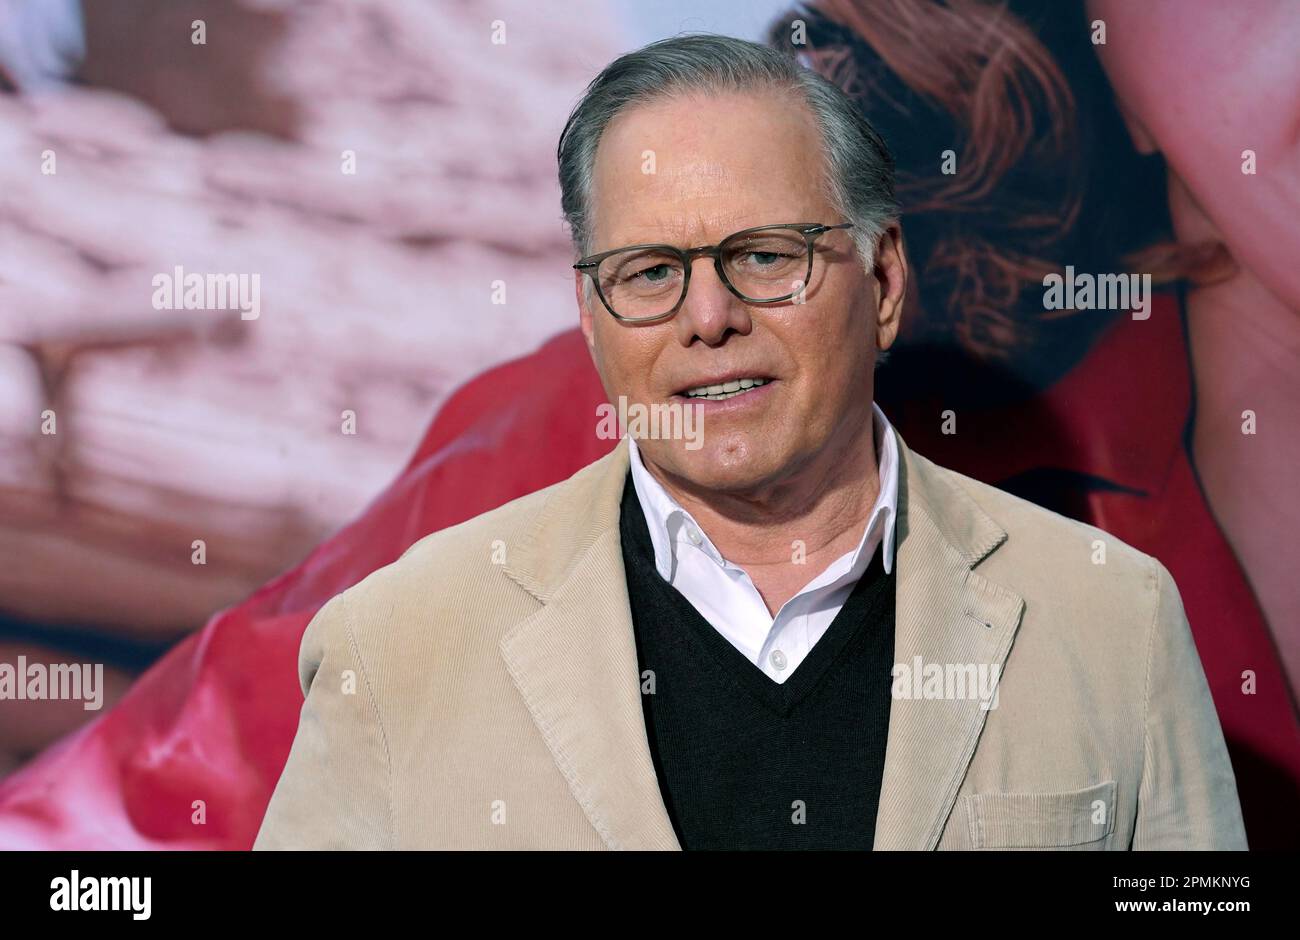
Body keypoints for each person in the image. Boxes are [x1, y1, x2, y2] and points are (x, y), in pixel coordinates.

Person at [253, 34, 1245, 850]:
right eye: (648, 273)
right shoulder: (392, 648)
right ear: (591, 317)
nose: (708, 316)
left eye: (765, 256)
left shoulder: (1116, 624)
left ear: (885, 280)